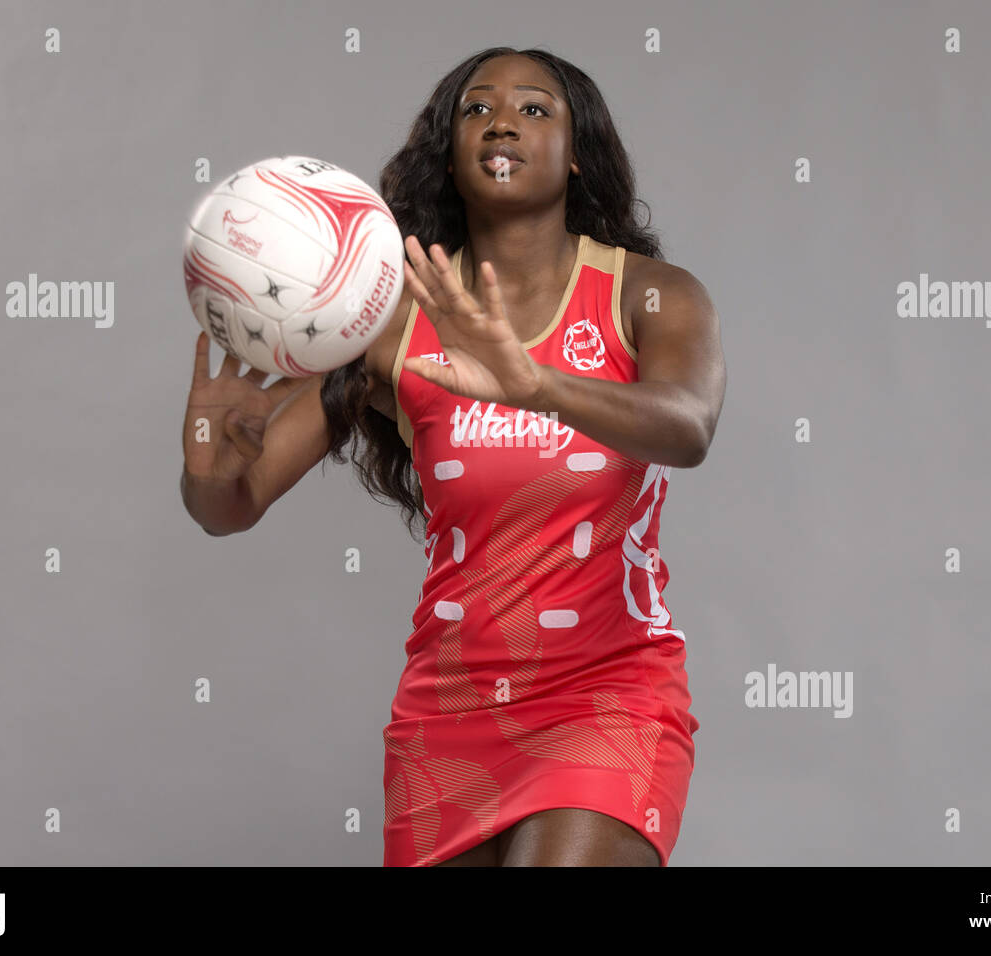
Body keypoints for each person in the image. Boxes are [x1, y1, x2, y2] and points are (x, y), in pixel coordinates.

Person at [181, 46, 726, 866]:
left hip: (609, 693)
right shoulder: (390, 321)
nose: (502, 120)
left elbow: (688, 427)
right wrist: (209, 457)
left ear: (579, 152)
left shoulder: (648, 294)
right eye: (477, 108)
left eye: (535, 108)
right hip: (450, 716)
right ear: (449, 147)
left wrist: (536, 385)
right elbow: (230, 507)